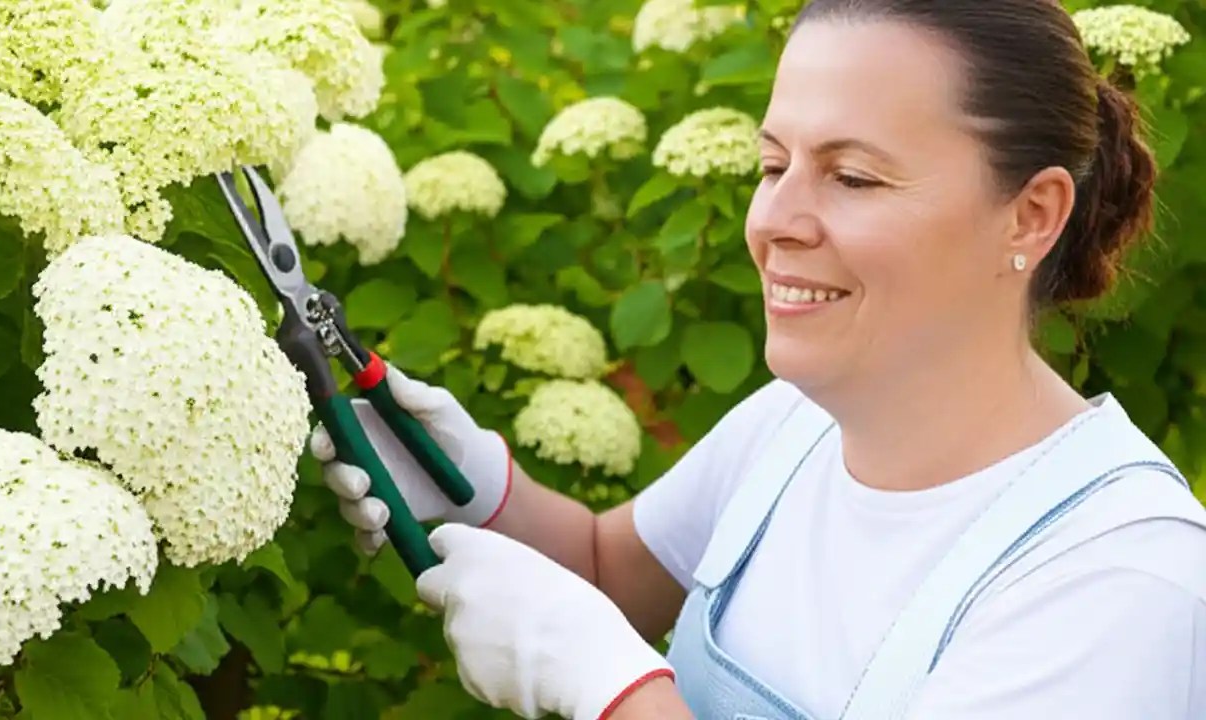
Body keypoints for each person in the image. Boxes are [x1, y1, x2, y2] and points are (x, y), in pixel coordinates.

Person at [310, 1, 1206, 718]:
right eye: (774, 165)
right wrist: (470, 483)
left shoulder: (1119, 577)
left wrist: (617, 695)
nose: (775, 221)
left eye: (853, 177)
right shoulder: (796, 426)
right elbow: (606, 573)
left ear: (1031, 215)